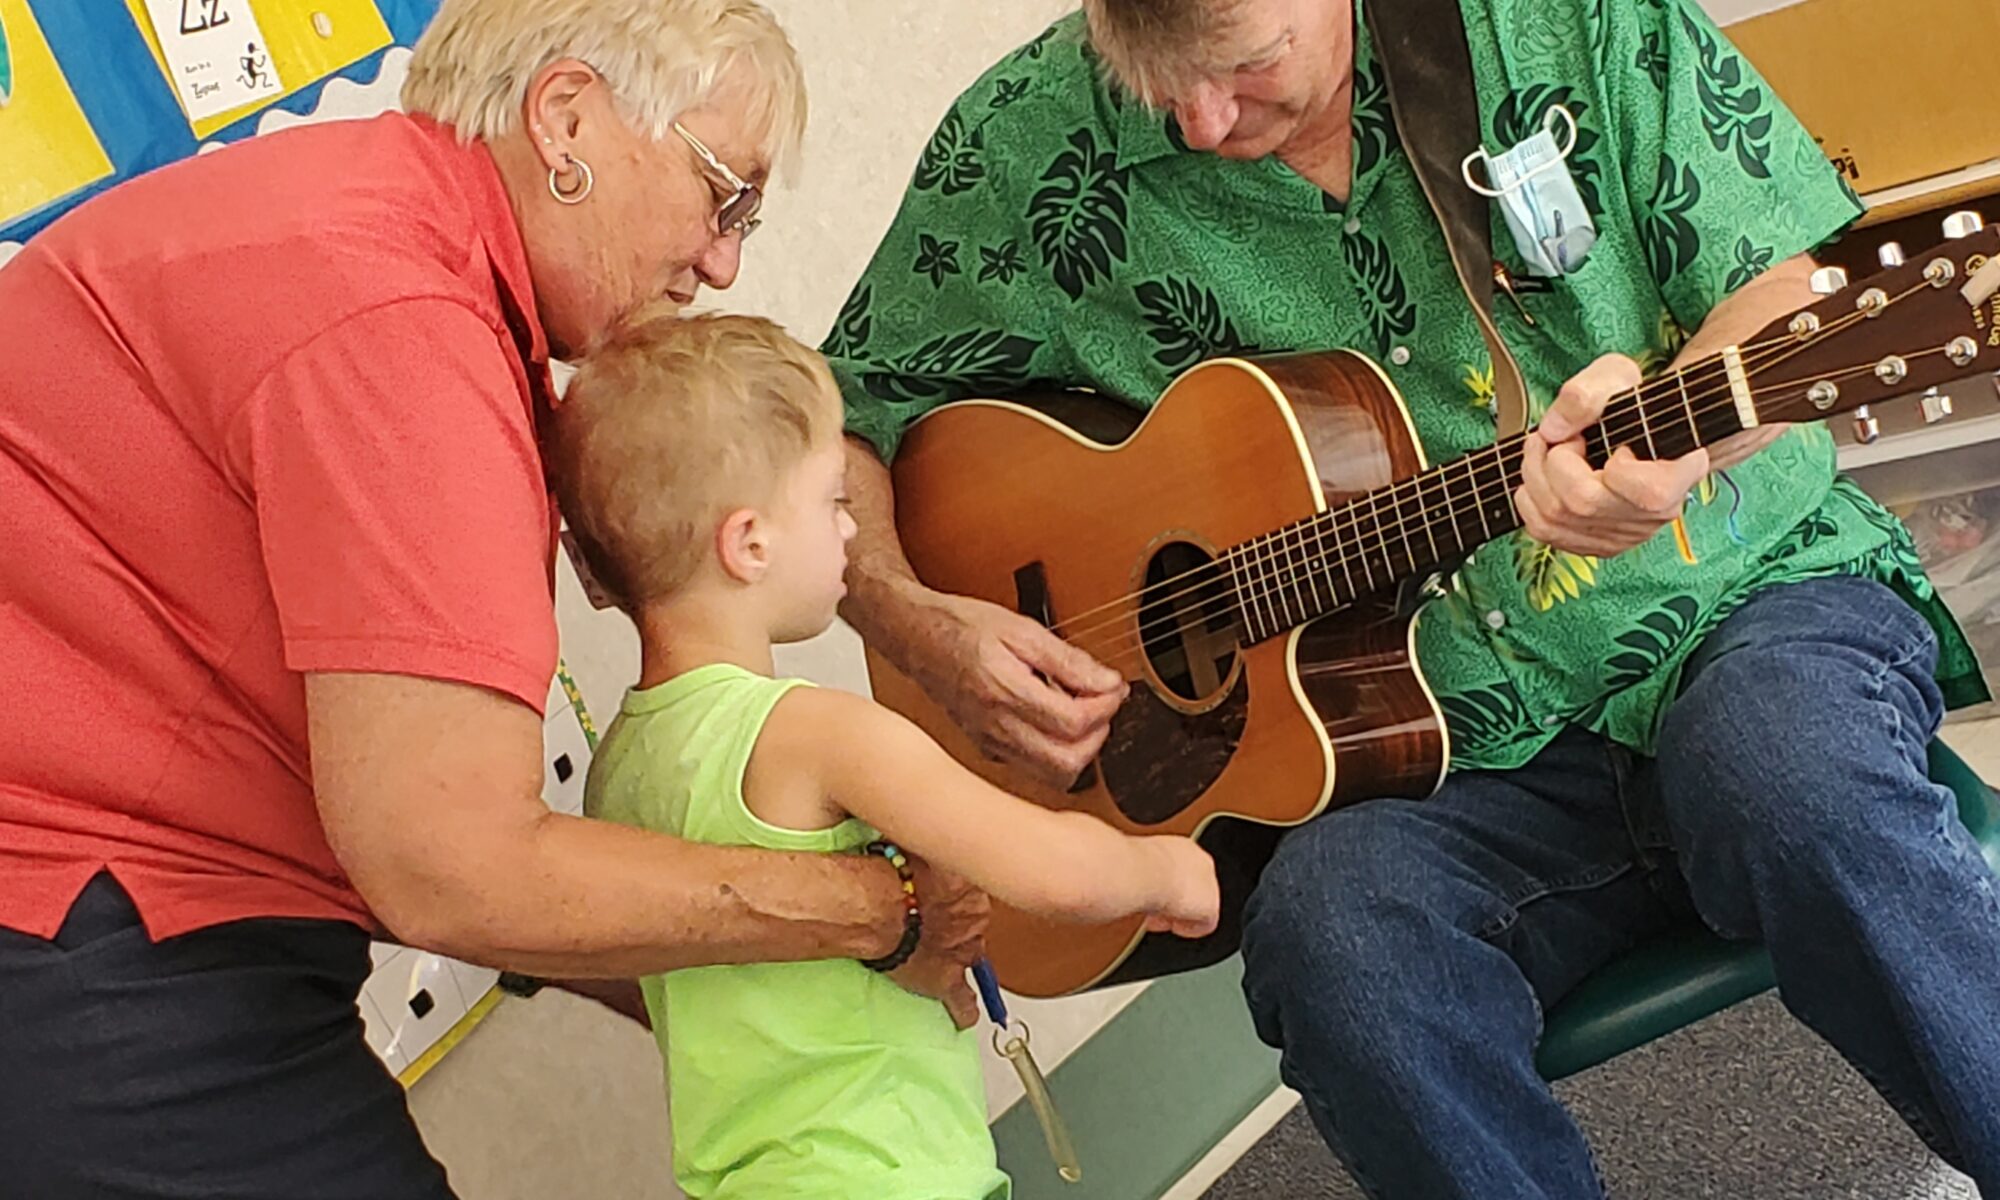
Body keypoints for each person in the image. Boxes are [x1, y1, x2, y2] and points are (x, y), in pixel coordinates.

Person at [823, 0, 1999, 1195]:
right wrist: (904, 617)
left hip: (1737, 602)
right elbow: (840, 410)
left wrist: (1681, 448)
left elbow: (1782, 287)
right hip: (1428, 750)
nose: (1200, 117)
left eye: (1240, 64)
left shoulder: (1559, 22)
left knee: (1784, 780)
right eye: (1153, 80)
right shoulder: (1023, 143)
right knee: (1333, 950)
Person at [0, 3, 989, 1196]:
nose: (723, 260)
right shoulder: (398, 320)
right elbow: (446, 864)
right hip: (81, 929)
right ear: (565, 118)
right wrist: (876, 907)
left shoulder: (373, 232)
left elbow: (414, 826)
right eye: (723, 194)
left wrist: (738, 990)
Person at [545, 310, 1220, 1199]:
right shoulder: (819, 735)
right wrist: (1166, 870)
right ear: (750, 543)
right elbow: (1048, 868)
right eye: (831, 500)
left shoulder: (619, 771)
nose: (851, 532)